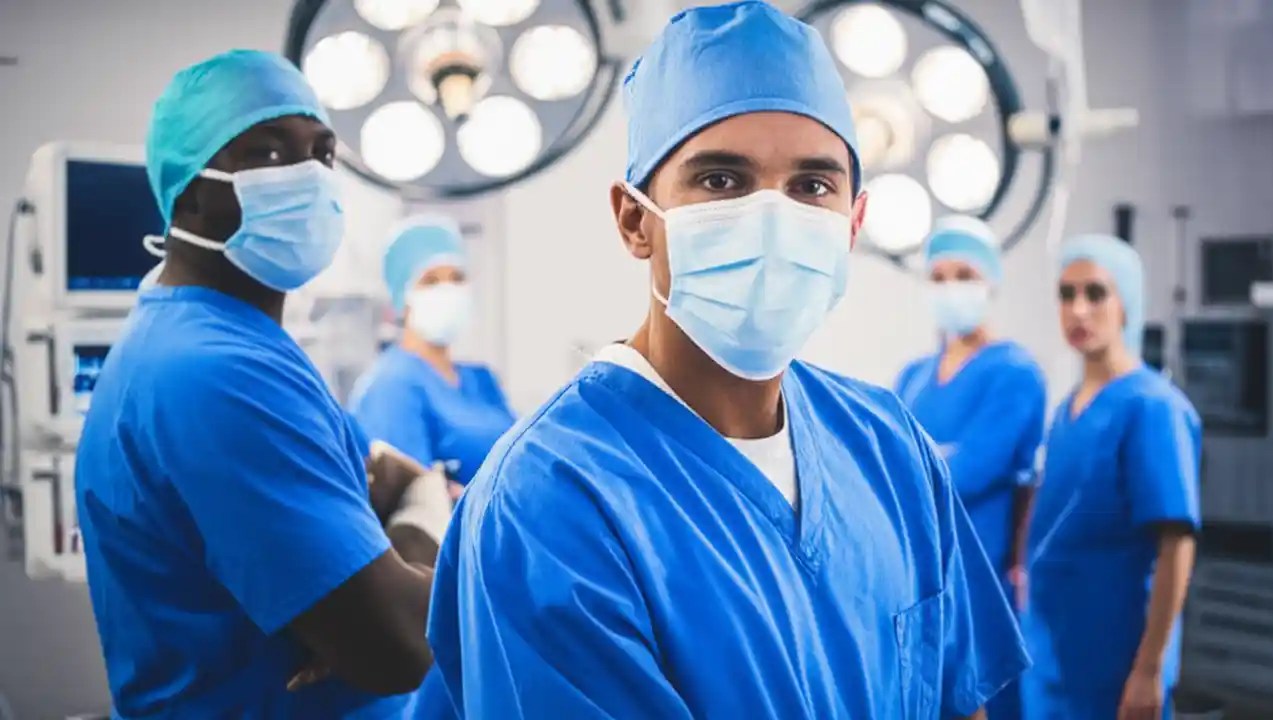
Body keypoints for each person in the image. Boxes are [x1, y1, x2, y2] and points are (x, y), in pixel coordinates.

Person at [427, 3, 1028, 718]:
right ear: (634, 220)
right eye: (721, 180)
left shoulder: (890, 448)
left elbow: (957, 698)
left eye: (812, 186)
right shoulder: (548, 500)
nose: (772, 217)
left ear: (853, 224)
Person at [75, 50, 440, 717]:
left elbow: (373, 500)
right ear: (189, 191)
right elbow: (398, 647)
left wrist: (369, 591)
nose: (308, 176)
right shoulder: (214, 373)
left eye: (322, 153)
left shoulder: (228, 341)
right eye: (268, 154)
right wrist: (425, 517)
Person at [1023, 235, 1200, 720]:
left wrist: (1149, 669)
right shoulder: (1067, 410)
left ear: (1127, 304)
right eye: (1066, 294)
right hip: (1054, 651)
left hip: (1116, 657)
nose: (1078, 309)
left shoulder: (1153, 408)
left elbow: (1176, 543)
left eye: (1096, 293)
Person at [894, 217, 1046, 720]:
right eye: (938, 277)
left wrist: (916, 465)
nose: (950, 288)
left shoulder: (1015, 372)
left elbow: (972, 470)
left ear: (990, 282)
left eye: (964, 275)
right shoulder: (913, 376)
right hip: (916, 580)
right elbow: (886, 461)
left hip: (981, 582)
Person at [349, 216, 516, 499]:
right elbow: (412, 504)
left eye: (457, 278)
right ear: (402, 296)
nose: (448, 290)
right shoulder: (391, 386)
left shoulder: (481, 380)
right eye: (430, 281)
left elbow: (520, 463)